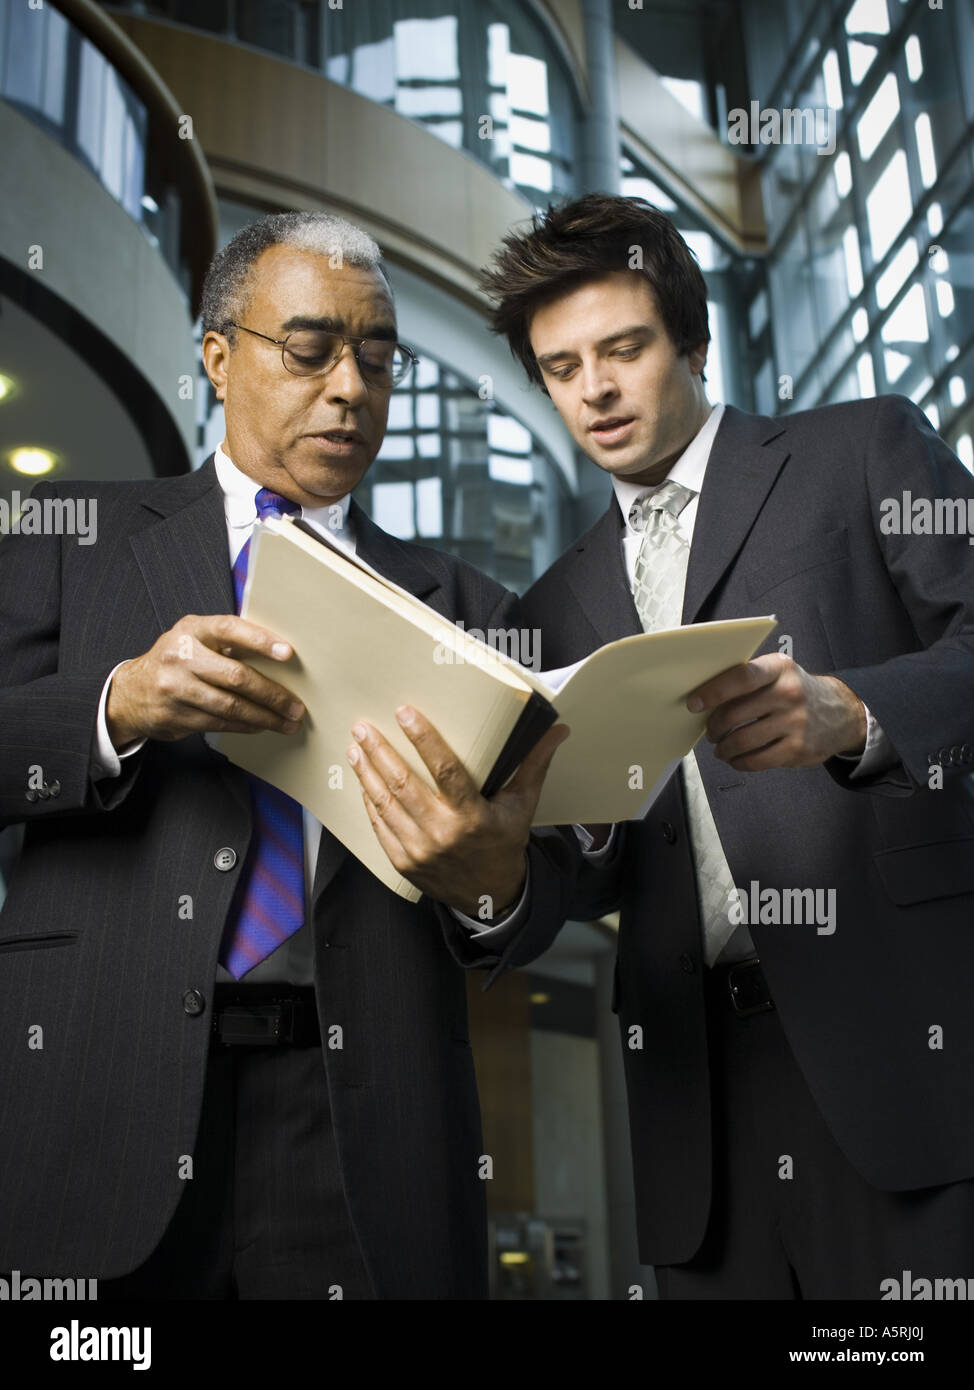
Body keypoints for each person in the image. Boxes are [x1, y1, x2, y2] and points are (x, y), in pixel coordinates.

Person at [0, 210, 573, 1300]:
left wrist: (493, 882)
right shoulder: (73, 537)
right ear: (218, 357)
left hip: (366, 1129)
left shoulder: (474, 610)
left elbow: (563, 877)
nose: (349, 388)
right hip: (94, 1094)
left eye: (375, 358)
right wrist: (116, 705)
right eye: (309, 352)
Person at [480, 193, 974, 1299]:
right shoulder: (552, 603)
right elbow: (594, 858)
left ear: (691, 343)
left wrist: (853, 713)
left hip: (899, 1041)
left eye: (623, 349)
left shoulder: (857, 448)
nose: (594, 389)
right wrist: (499, 857)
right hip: (691, 1096)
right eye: (561, 368)